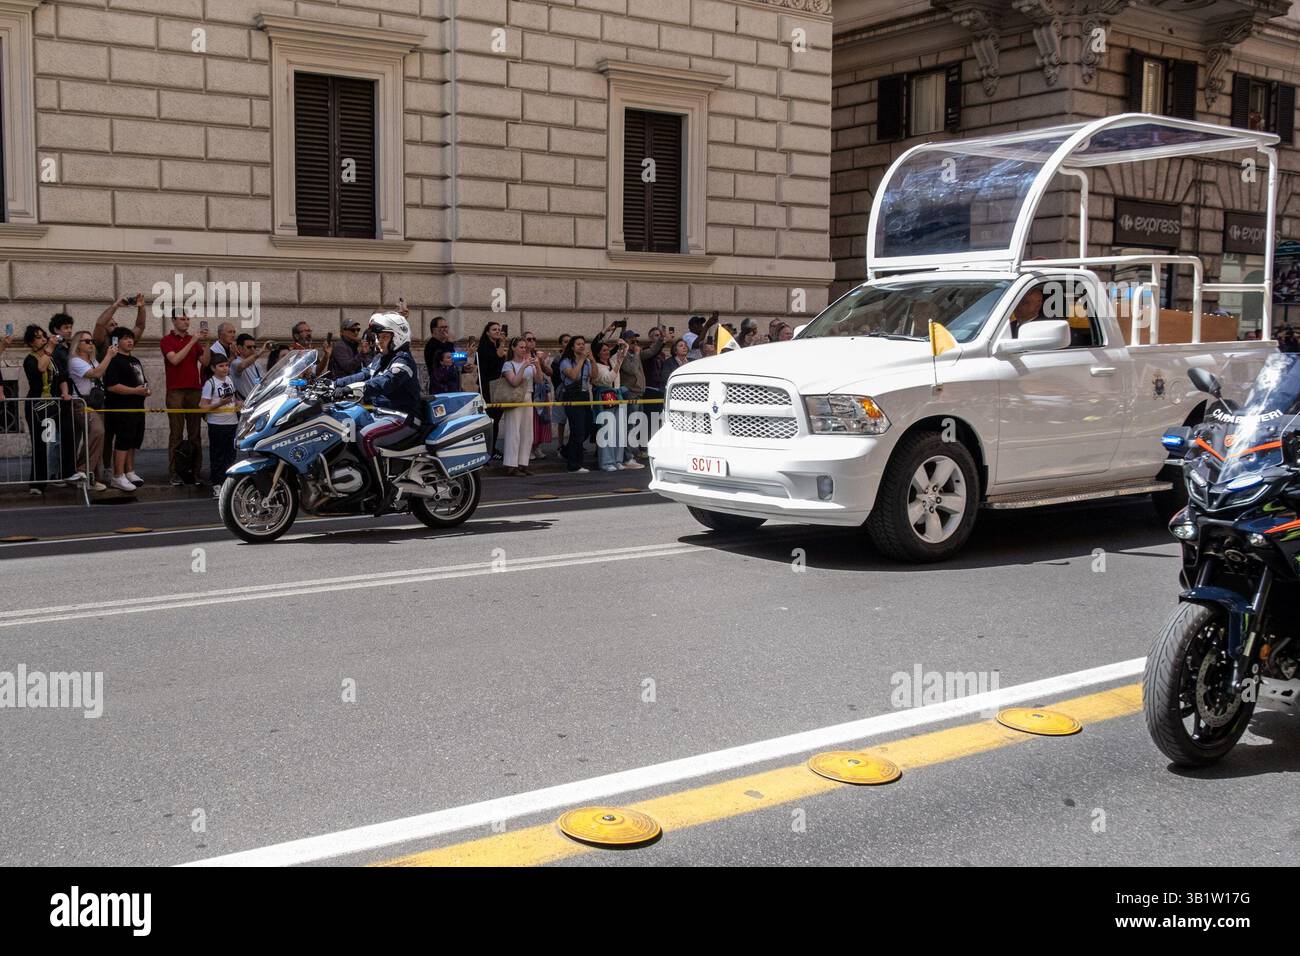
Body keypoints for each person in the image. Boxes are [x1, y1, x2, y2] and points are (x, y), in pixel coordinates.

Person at [333, 312, 423, 512]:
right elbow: (364, 374)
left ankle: (383, 491)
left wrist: (356, 389)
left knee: (366, 437)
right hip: (381, 414)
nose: (378, 341)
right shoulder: (381, 359)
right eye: (378, 337)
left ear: (397, 336)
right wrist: (334, 384)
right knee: (344, 427)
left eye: (383, 337)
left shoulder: (403, 360)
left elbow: (385, 382)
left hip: (402, 418)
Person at [160, 308, 210, 486]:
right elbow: (175, 360)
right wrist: (193, 341)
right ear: (173, 321)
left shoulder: (193, 340)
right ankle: (174, 473)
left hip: (194, 389)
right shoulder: (166, 340)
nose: (186, 322)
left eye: (188, 319)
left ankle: (195, 473)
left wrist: (206, 343)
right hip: (175, 390)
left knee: (195, 434)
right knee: (176, 434)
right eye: (182, 319)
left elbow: (204, 362)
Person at [103, 328, 150, 493]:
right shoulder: (114, 360)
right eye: (125, 339)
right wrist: (135, 391)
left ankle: (130, 471)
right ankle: (118, 475)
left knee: (133, 439)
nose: (130, 341)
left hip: (137, 406)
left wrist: (145, 389)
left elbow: (142, 380)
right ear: (116, 341)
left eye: (131, 338)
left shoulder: (135, 360)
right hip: (121, 407)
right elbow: (112, 386)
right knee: (123, 440)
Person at [67, 331, 114, 492]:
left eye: (92, 340)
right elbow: (95, 373)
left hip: (96, 402)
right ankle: (82, 471)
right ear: (77, 344)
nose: (90, 344)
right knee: (97, 431)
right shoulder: (75, 361)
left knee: (97, 438)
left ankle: (93, 477)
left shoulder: (93, 360)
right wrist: (108, 356)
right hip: (81, 403)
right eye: (86, 341)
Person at [21, 325, 59, 495]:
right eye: (38, 337)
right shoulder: (30, 359)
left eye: (44, 336)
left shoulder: (50, 357)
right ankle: (36, 482)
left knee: (49, 442)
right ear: (31, 342)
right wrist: (50, 348)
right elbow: (40, 369)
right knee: (39, 443)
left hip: (50, 404)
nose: (43, 339)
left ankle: (48, 477)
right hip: (36, 405)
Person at [499, 336, 541, 476]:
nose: (524, 350)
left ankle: (523, 463)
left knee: (527, 432)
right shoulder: (508, 365)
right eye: (521, 347)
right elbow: (514, 382)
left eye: (525, 347)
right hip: (515, 399)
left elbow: (539, 380)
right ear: (513, 348)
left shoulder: (529, 363)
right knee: (513, 431)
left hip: (528, 396)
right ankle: (511, 465)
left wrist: (537, 365)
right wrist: (524, 366)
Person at [200, 353, 241, 497]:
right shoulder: (210, 384)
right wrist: (219, 403)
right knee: (218, 455)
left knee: (230, 455)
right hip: (217, 424)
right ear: (213, 368)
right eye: (221, 366)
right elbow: (203, 407)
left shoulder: (229, 380)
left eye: (226, 365)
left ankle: (228, 483)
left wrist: (238, 404)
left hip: (232, 422)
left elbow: (233, 400)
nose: (225, 369)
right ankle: (217, 484)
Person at [591, 339, 630, 472]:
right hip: (604, 398)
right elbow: (608, 379)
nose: (607, 352)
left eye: (608, 350)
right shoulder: (596, 366)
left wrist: (623, 343)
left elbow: (624, 351)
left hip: (617, 397)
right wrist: (618, 364)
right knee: (607, 431)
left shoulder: (612, 362)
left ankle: (617, 460)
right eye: (604, 350)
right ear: (598, 353)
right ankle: (607, 462)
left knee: (619, 431)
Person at [558, 335, 592, 473]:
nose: (582, 346)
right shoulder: (566, 361)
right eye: (578, 344)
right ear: (572, 347)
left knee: (586, 428)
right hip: (572, 396)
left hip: (584, 395)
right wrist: (582, 360)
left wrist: (592, 361)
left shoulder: (587, 362)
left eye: (583, 344)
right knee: (577, 430)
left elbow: (594, 376)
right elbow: (573, 375)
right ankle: (574, 464)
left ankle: (567, 451)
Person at [477, 320, 508, 459]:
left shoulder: (496, 345)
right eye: (494, 329)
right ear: (487, 332)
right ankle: (487, 449)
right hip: (488, 386)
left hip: (498, 385)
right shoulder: (485, 346)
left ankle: (492, 448)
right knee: (490, 418)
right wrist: (502, 343)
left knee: (496, 418)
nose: (498, 331)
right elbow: (498, 356)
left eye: (499, 329)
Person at [231, 333, 268, 400]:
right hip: (245, 404)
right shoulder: (235, 363)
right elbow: (242, 365)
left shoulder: (257, 364)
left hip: (258, 402)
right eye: (249, 347)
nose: (253, 349)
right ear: (240, 348)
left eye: (254, 347)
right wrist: (259, 353)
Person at [423, 315, 455, 385]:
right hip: (439, 385)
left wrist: (463, 368)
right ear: (434, 330)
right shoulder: (431, 345)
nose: (445, 330)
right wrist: (450, 343)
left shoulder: (446, 343)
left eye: (446, 327)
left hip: (451, 383)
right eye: (442, 327)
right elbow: (447, 361)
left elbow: (453, 364)